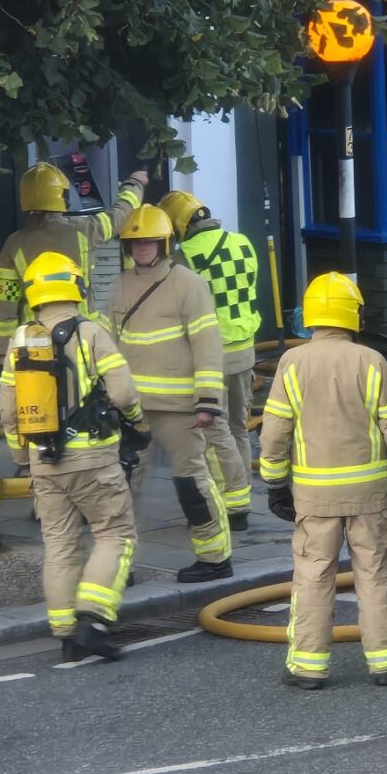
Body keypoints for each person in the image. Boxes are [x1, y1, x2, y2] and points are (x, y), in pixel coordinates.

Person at [259, 272, 387, 688]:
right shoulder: (371, 362)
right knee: (375, 573)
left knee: (312, 576)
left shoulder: (291, 364)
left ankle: (308, 667)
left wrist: (275, 483)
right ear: (353, 314)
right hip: (371, 495)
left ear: (309, 315)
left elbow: (274, 432)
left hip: (313, 498)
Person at [0, 251, 143, 660]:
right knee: (114, 533)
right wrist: (136, 420)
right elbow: (123, 393)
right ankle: (94, 621)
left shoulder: (21, 339)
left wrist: (21, 454)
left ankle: (65, 634)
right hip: (94, 457)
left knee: (59, 544)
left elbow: (8, 407)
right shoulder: (92, 333)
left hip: (45, 460)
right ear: (76, 286)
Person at [109, 205, 232, 583]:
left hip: (180, 409)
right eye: (135, 243)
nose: (141, 248)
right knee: (120, 486)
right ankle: (117, 566)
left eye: (148, 241)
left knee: (190, 483)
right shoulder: (120, 285)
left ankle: (215, 558)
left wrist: (208, 400)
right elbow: (108, 344)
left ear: (164, 243)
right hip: (131, 408)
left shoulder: (189, 284)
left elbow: (207, 345)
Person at [160, 190, 261, 531]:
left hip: (210, 355)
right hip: (244, 348)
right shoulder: (243, 242)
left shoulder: (183, 257)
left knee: (214, 431)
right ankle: (242, 494)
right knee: (238, 427)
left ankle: (232, 504)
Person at [0, 161, 150, 349]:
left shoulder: (14, 244)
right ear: (63, 196)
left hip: (35, 341)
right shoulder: (85, 230)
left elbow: (5, 302)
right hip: (81, 336)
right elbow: (121, 215)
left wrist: (2, 350)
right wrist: (135, 183)